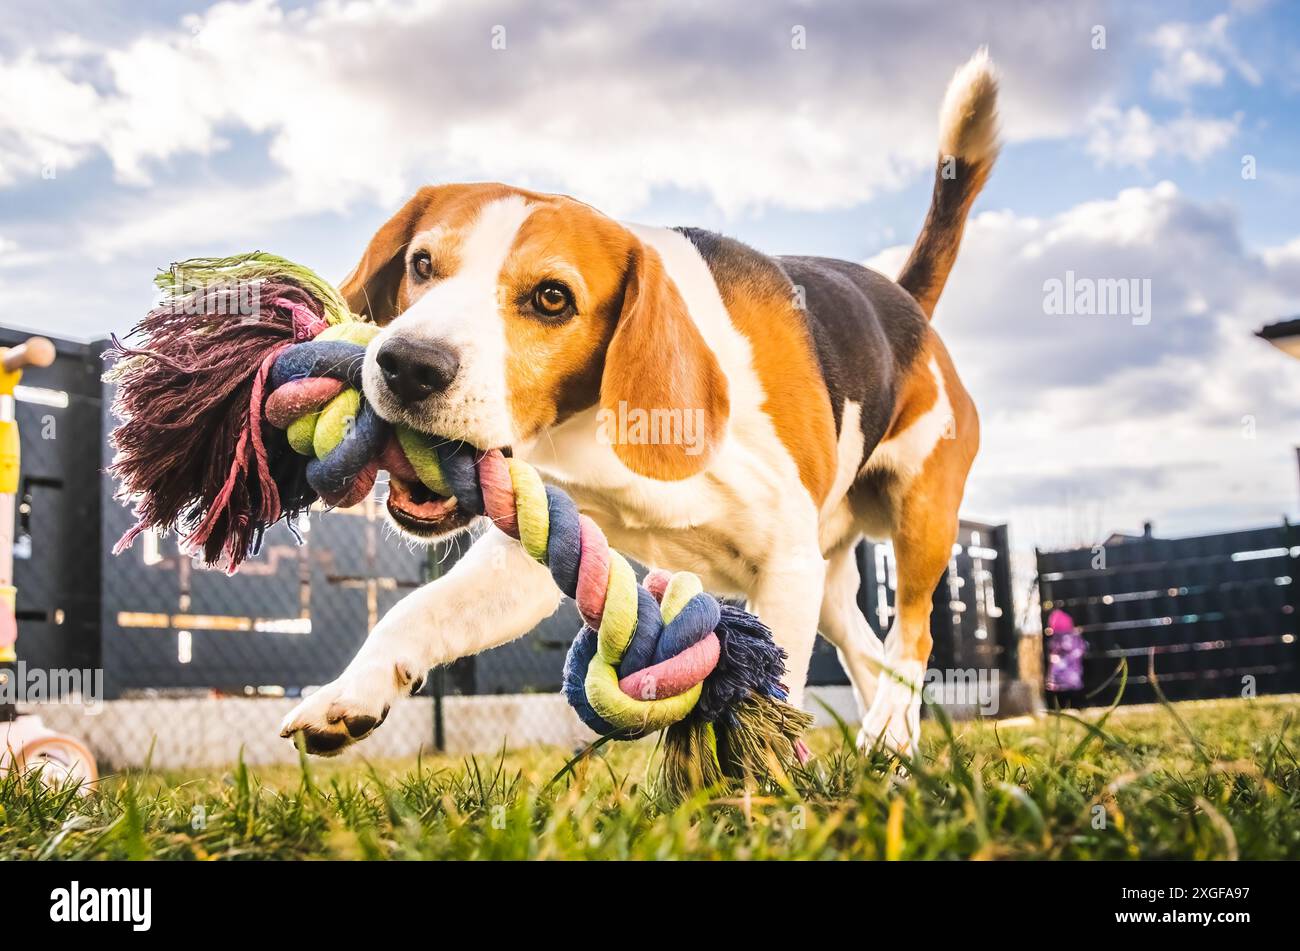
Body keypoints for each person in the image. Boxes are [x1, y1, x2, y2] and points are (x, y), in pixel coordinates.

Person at [1044, 608, 1087, 708]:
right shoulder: (1069, 638)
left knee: (1068, 696)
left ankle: (1071, 707)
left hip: (1068, 674)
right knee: (1067, 695)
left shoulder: (1062, 639)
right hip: (1066, 675)